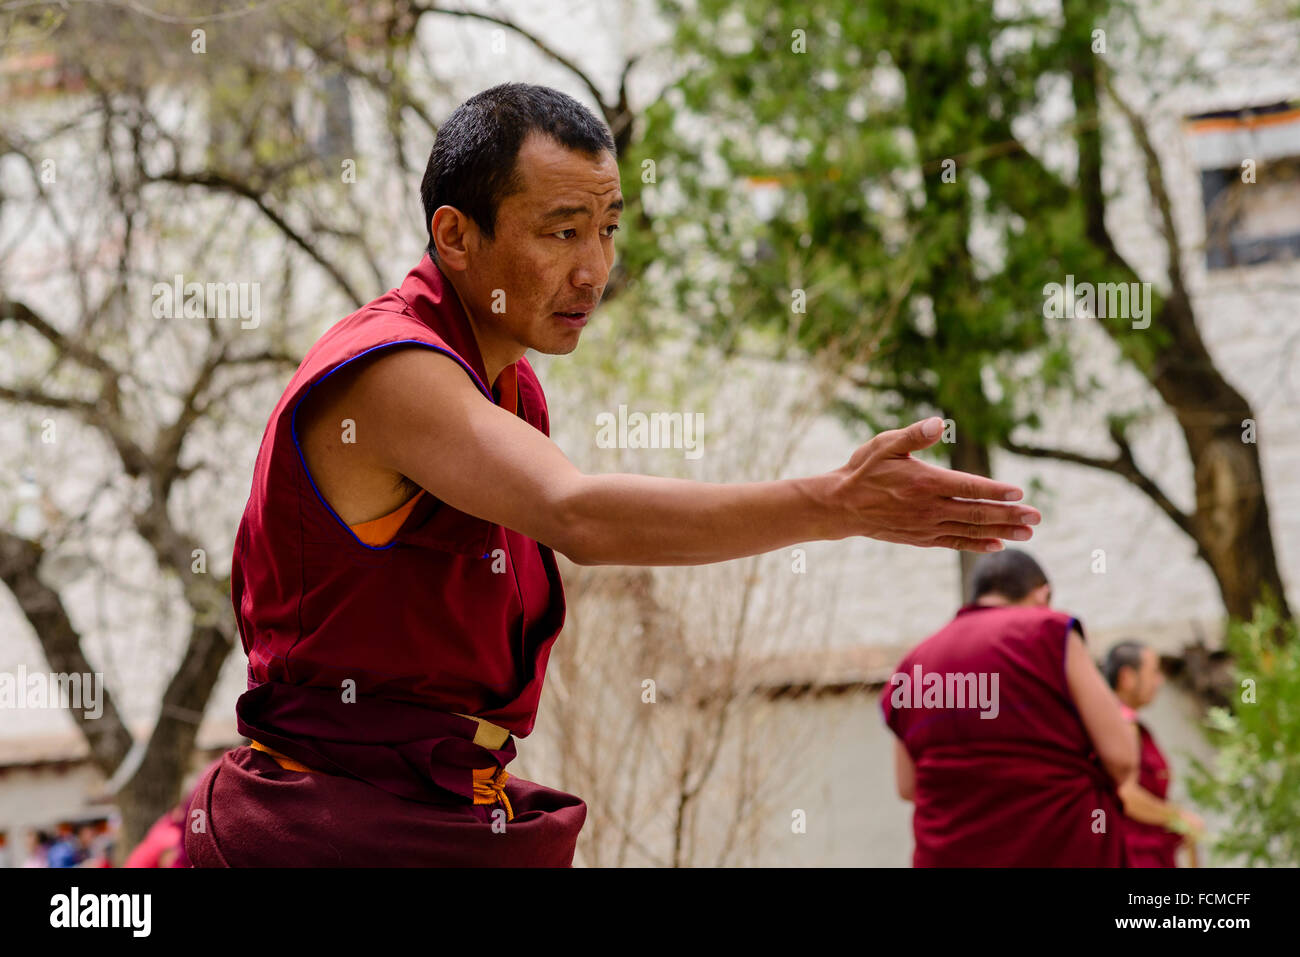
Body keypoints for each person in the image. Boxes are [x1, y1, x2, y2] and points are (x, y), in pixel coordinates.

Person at [187, 82, 1041, 867]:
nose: (594, 268)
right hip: (327, 829)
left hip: (444, 811)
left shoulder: (510, 388)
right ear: (454, 234)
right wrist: (833, 502)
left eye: (608, 228)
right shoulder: (388, 373)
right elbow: (581, 516)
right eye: (561, 231)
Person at [883, 549, 1136, 866]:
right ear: (1042, 594)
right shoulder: (1049, 631)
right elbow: (1121, 758)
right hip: (1059, 848)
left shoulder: (913, 664)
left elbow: (908, 786)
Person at [1104, 640, 1205, 866]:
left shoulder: (1113, 721)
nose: (1159, 681)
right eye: (1154, 672)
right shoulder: (1123, 725)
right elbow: (1125, 794)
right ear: (1128, 678)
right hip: (1135, 854)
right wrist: (1178, 818)